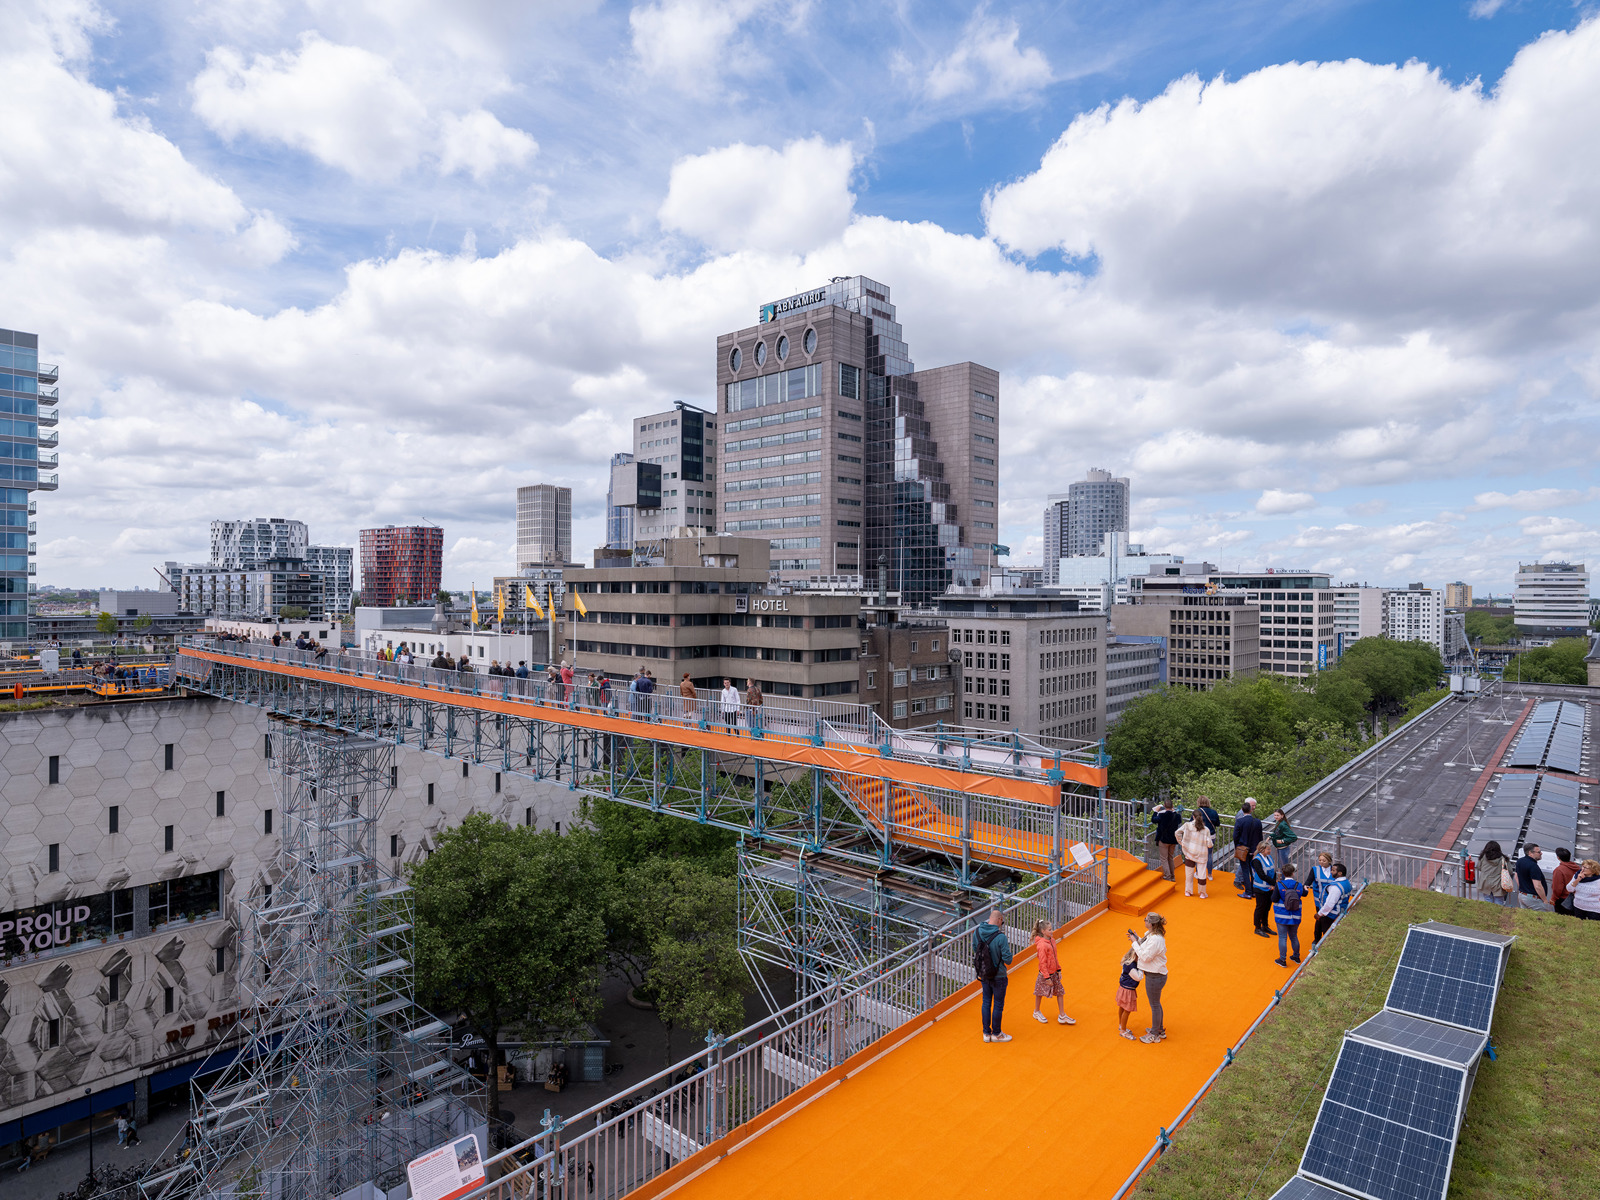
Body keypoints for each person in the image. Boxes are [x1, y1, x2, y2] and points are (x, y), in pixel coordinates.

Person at [974, 908, 1013, 1042]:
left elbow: (975, 949)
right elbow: (1008, 959)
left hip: (984, 973)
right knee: (998, 1004)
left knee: (986, 1002)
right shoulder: (1001, 937)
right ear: (999, 920)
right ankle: (996, 1034)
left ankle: (986, 1033)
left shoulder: (977, 932)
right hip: (999, 975)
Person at [1128, 912, 1168, 1044]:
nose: (1144, 921)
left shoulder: (1156, 939)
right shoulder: (1152, 935)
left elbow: (1145, 957)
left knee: (1154, 1005)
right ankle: (1159, 1029)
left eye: (1146, 920)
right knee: (1156, 1003)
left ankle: (1154, 1034)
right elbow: (1146, 948)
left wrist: (1134, 943)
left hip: (1155, 976)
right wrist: (1137, 939)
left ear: (1151, 923)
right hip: (1156, 975)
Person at [1029, 919, 1075, 1025]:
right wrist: (1047, 977)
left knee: (1060, 992)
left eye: (1051, 929)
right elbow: (1042, 963)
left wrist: (1058, 969)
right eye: (1049, 929)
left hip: (1054, 972)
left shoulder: (1052, 940)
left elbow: (1055, 957)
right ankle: (1036, 1012)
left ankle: (1062, 1015)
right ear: (1043, 931)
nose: (1052, 931)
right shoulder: (1042, 945)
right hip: (1045, 974)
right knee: (1039, 993)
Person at [1272, 864, 1307, 966]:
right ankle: (1296, 956)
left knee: (1282, 937)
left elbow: (1274, 899)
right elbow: (1305, 894)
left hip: (1282, 916)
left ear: (1283, 873)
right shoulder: (1299, 885)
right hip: (1295, 915)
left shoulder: (1279, 885)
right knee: (1294, 936)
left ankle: (1282, 959)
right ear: (1293, 873)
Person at [1176, 809, 1214, 898]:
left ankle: (1188, 891)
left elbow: (1177, 832)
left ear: (1193, 817)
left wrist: (1181, 842)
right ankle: (1202, 893)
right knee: (1201, 874)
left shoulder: (1187, 825)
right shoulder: (1206, 830)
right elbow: (1209, 844)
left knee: (1189, 873)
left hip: (1189, 852)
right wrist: (1209, 844)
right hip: (1201, 854)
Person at [1314, 862, 1352, 943]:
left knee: (1326, 936)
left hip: (1329, 915)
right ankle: (1316, 941)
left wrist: (1320, 913)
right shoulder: (1347, 883)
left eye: (1333, 870)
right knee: (1319, 928)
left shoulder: (1335, 887)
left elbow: (1330, 904)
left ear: (1340, 873)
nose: (1331, 872)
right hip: (1337, 912)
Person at [1233, 799, 1264, 898]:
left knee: (1245, 870)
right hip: (1254, 849)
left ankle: (1248, 892)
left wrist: (1237, 846)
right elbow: (1260, 836)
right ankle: (1254, 891)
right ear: (1250, 810)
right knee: (1253, 870)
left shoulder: (1240, 821)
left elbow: (1235, 836)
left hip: (1243, 849)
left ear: (1242, 810)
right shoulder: (1257, 821)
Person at [1151, 799, 1183, 882]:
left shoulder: (1161, 815)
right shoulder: (1177, 816)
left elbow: (1153, 820)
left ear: (1164, 806)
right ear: (1172, 806)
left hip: (1163, 839)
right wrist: (1174, 811)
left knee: (1164, 859)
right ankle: (1172, 876)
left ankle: (1168, 876)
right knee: (1170, 857)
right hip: (1173, 839)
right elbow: (1179, 821)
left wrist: (1155, 811)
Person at [1250, 839, 1277, 937]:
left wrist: (1273, 884)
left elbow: (1273, 871)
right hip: (1260, 888)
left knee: (1267, 908)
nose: (1270, 851)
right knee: (1260, 907)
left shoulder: (1269, 857)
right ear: (1262, 850)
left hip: (1269, 887)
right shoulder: (1256, 860)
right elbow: (1261, 875)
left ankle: (1265, 925)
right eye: (1268, 849)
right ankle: (1257, 927)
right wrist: (1274, 883)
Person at [1115, 947, 1143, 1041]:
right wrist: (1142, 968)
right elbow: (1138, 977)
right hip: (1128, 991)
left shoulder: (1127, 962)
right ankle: (1123, 1031)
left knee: (1122, 1007)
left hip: (1123, 988)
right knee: (1127, 1010)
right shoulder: (1131, 967)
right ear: (1134, 955)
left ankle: (1121, 1025)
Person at [1477, 840, 1513, 906]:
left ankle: (1488, 912)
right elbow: (1510, 871)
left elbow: (1479, 867)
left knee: (1487, 901)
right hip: (1498, 884)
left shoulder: (1483, 857)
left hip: (1485, 883)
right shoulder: (1503, 859)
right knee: (1499, 902)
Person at [1515, 842, 1550, 910]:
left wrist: (1523, 889)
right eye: (1538, 852)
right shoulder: (1533, 866)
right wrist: (1545, 900)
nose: (1541, 853)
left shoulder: (1519, 861)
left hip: (1522, 895)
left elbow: (1516, 876)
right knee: (1541, 916)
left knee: (1525, 915)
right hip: (1533, 899)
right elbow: (1538, 886)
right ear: (1530, 853)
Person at [1549, 848, 1579, 916]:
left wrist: (1553, 898)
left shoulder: (1559, 870)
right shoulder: (1577, 868)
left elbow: (1557, 888)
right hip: (1575, 897)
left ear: (1558, 857)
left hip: (1563, 900)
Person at [1196, 795, 1220, 872]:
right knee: (1209, 855)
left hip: (1200, 836)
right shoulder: (1214, 812)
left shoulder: (1197, 812)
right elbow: (1218, 824)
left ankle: (1198, 872)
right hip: (1211, 836)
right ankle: (1209, 874)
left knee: (1199, 855)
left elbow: (1191, 823)